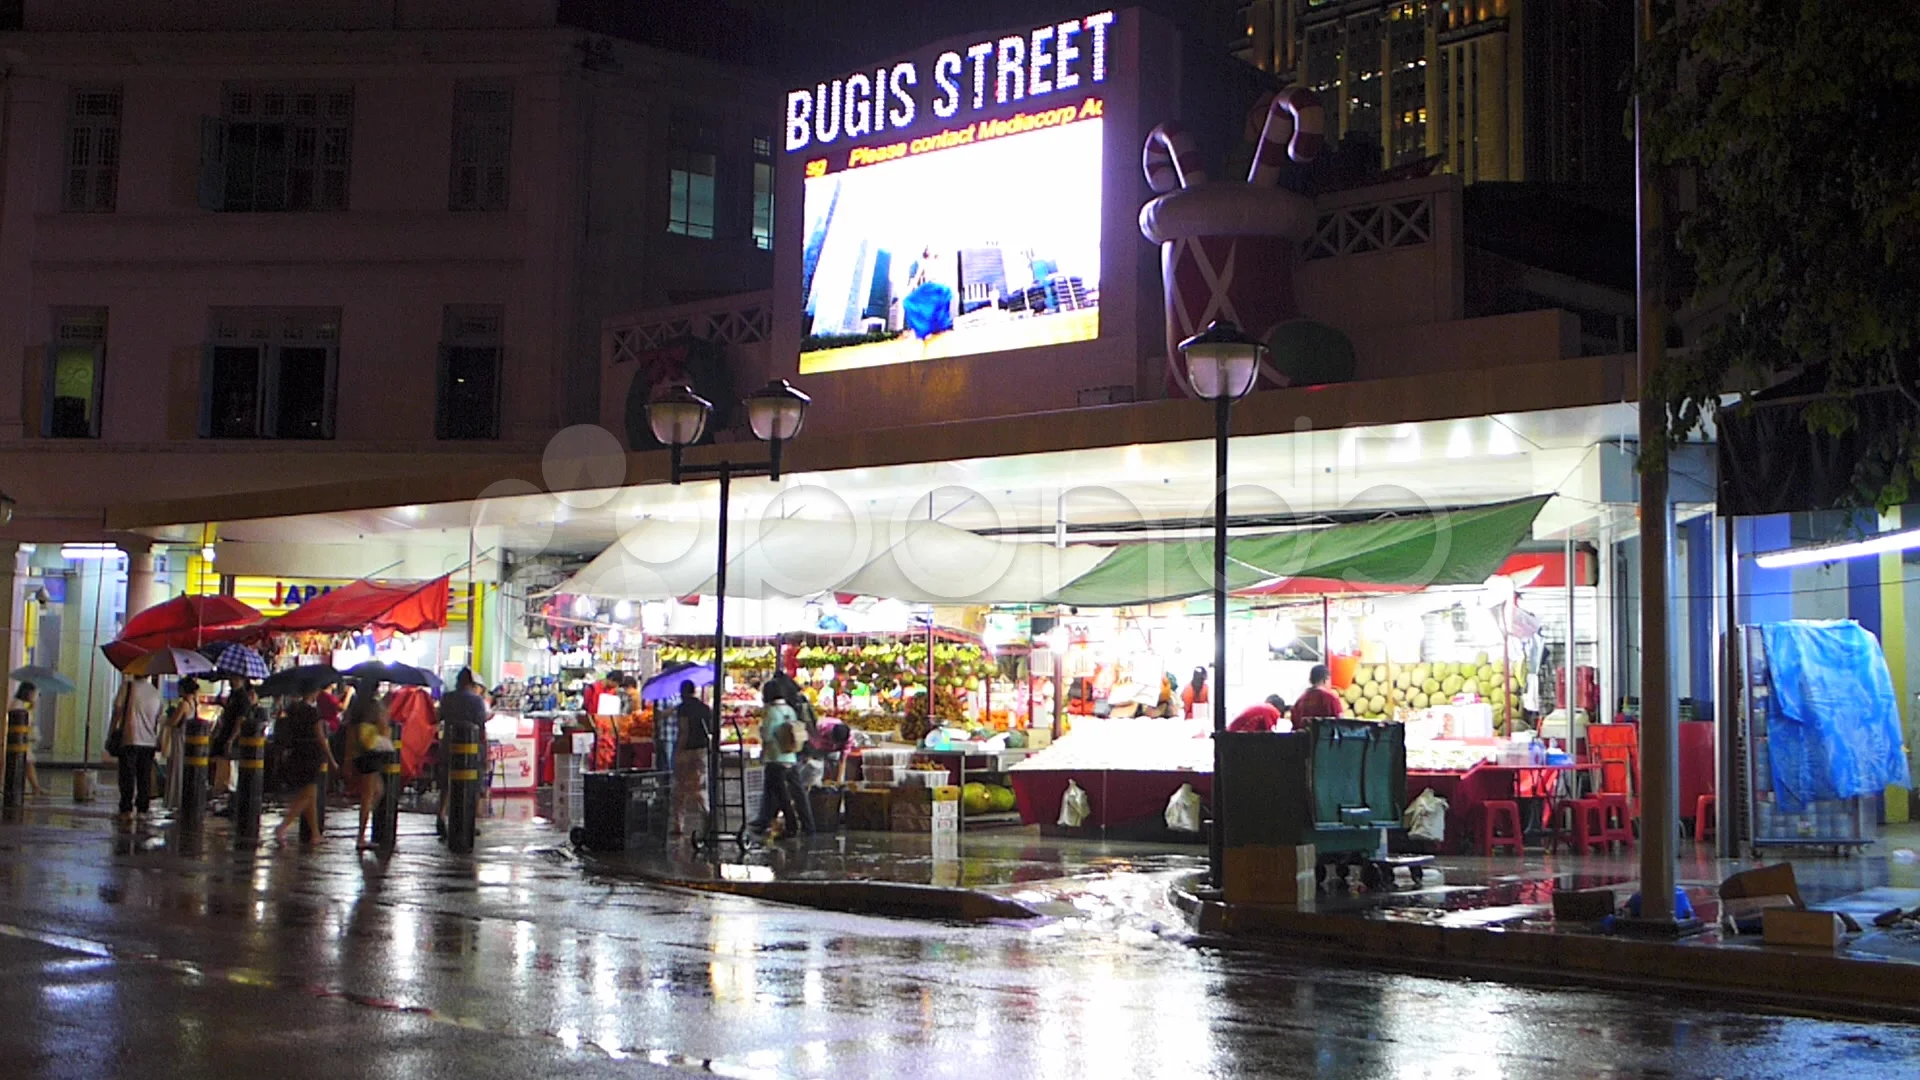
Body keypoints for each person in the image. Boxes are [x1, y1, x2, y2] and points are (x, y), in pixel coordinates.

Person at [274, 680, 339, 846]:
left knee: (310, 794)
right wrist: (331, 759)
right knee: (308, 794)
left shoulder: (293, 710)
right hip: (312, 754)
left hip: (297, 753)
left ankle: (315, 833)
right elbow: (321, 738)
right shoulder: (312, 713)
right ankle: (283, 826)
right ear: (314, 692)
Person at [746, 681, 813, 839]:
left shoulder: (771, 712)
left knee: (780, 795)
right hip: (791, 756)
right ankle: (808, 825)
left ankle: (790, 826)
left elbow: (767, 737)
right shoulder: (789, 710)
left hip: (775, 758)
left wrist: (761, 731)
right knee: (798, 794)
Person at [435, 668, 491, 842]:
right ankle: (468, 822)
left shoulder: (447, 698)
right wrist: (486, 753)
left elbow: (438, 718)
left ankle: (441, 816)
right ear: (471, 684)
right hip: (471, 748)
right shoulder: (476, 701)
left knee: (446, 784)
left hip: (449, 745)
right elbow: (481, 727)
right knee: (472, 785)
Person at [344, 689, 396, 852]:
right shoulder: (376, 706)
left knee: (378, 791)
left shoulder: (357, 706)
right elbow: (385, 729)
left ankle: (364, 827)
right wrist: (386, 712)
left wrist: (348, 760)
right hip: (371, 755)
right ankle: (361, 836)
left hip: (359, 754)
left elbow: (350, 734)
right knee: (368, 796)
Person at [114, 675, 165, 818]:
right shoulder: (155, 692)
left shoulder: (128, 687)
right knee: (144, 776)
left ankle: (126, 808)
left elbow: (117, 711)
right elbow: (158, 718)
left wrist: (112, 730)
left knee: (127, 776)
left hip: (130, 738)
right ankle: (142, 809)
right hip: (149, 741)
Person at [668, 680, 713, 841]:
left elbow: (684, 731)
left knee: (679, 788)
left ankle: (678, 824)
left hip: (687, 750)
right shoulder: (705, 708)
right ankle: (706, 814)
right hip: (702, 751)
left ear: (682, 692)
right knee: (699, 785)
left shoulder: (683, 708)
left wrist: (677, 752)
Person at [208, 681, 255, 810]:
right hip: (226, 737)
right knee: (226, 771)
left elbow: (240, 721)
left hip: (233, 741)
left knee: (232, 773)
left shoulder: (242, 698)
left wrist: (231, 739)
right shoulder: (232, 696)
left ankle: (233, 805)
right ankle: (230, 803)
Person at [162, 677, 202, 810]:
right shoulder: (194, 703)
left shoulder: (183, 704)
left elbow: (173, 722)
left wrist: (168, 716)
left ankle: (174, 799)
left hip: (179, 738)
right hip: (187, 739)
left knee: (175, 767)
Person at [8, 682, 44, 797]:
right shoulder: (17, 704)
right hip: (16, 740)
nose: (35, 696)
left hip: (21, 740)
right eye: (33, 693)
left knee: (29, 763)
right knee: (28, 763)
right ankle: (35, 787)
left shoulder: (22, 704)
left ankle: (35, 787)